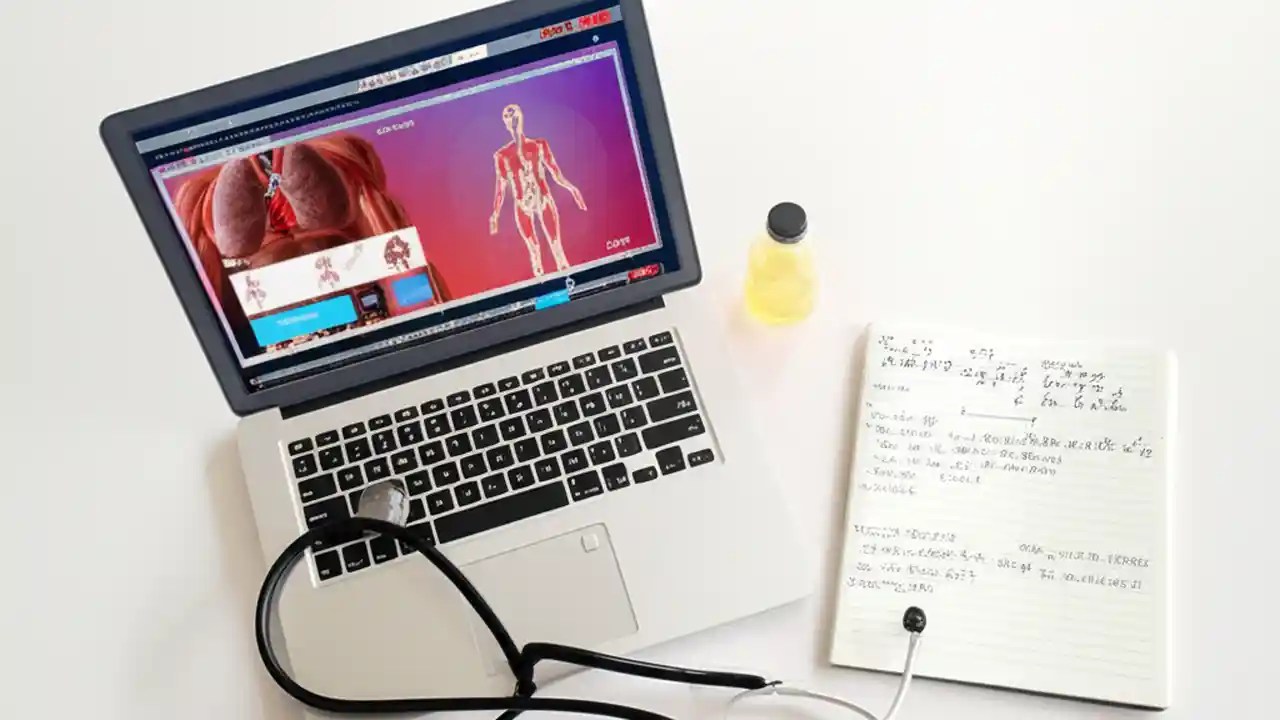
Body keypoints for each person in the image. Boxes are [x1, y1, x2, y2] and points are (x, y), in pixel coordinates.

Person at [489, 104, 588, 277]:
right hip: (522, 205)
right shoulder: (502, 155)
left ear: (522, 118)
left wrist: (572, 189)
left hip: (543, 198)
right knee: (535, 255)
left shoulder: (538, 145)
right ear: (504, 123)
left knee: (558, 250)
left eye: (515, 115)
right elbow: (501, 188)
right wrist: (495, 215)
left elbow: (556, 173)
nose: (513, 120)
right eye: (508, 117)